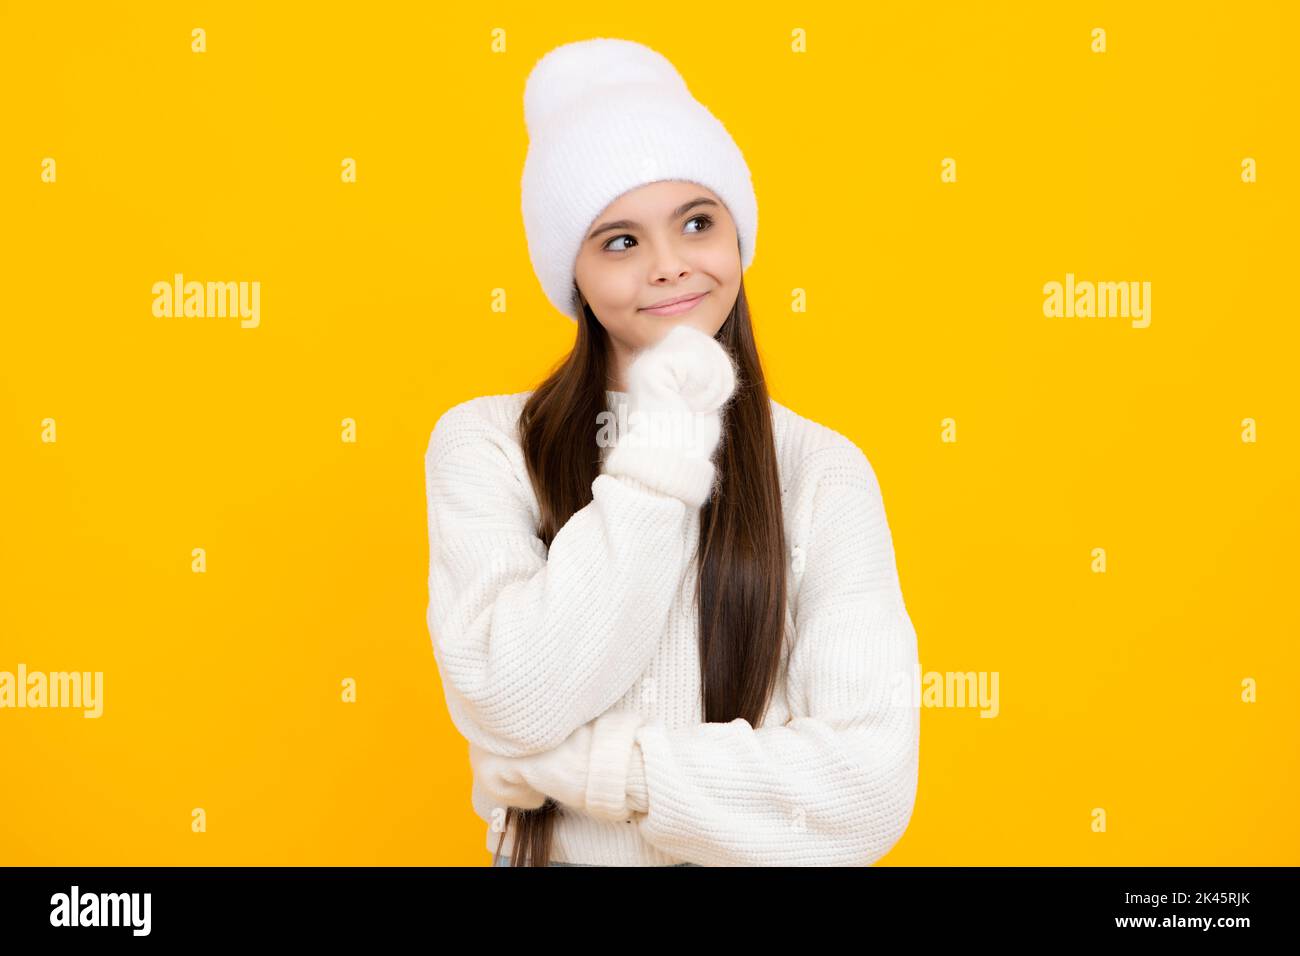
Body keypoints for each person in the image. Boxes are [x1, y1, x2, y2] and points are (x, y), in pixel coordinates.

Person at [424, 37, 921, 867]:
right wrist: (665, 449)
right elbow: (514, 697)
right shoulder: (486, 446)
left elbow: (867, 790)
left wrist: (593, 770)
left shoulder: (823, 471)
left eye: (697, 222)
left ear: (738, 237)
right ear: (572, 273)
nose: (669, 267)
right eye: (619, 241)